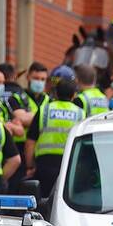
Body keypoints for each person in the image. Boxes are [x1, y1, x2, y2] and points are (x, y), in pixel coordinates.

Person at [25, 66, 83, 200]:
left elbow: (31, 141)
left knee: (44, 200)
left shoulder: (44, 110)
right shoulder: (80, 113)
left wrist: (29, 166)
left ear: (55, 93)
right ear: (74, 95)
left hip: (44, 164)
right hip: (69, 163)